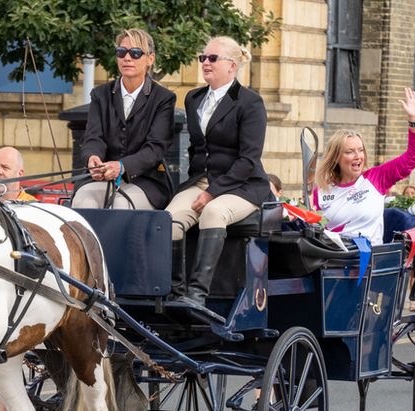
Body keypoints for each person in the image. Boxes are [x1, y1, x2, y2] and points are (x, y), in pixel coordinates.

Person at [164, 36, 269, 307]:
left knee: (213, 212)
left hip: (243, 186)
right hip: (202, 181)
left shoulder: (250, 103)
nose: (205, 63)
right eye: (203, 58)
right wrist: (199, 185)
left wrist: (212, 192)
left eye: (212, 58)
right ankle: (176, 292)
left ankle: (197, 294)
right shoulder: (194, 98)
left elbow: (248, 159)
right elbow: (196, 149)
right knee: (169, 220)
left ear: (232, 66)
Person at [71, 28, 176, 210]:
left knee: (120, 205)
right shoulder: (100, 94)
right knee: (83, 202)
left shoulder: (163, 98)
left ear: (150, 59)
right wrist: (93, 157)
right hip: (103, 177)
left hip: (145, 181)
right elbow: (93, 137)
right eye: (121, 52)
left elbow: (155, 148)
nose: (127, 58)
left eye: (135, 53)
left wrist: (122, 166)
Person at [311, 87, 415, 244]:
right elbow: (314, 229)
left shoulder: (376, 178)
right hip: (331, 261)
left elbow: (414, 156)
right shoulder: (321, 191)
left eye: (361, 150)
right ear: (336, 157)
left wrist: (414, 120)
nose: (358, 156)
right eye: (350, 151)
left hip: (367, 261)